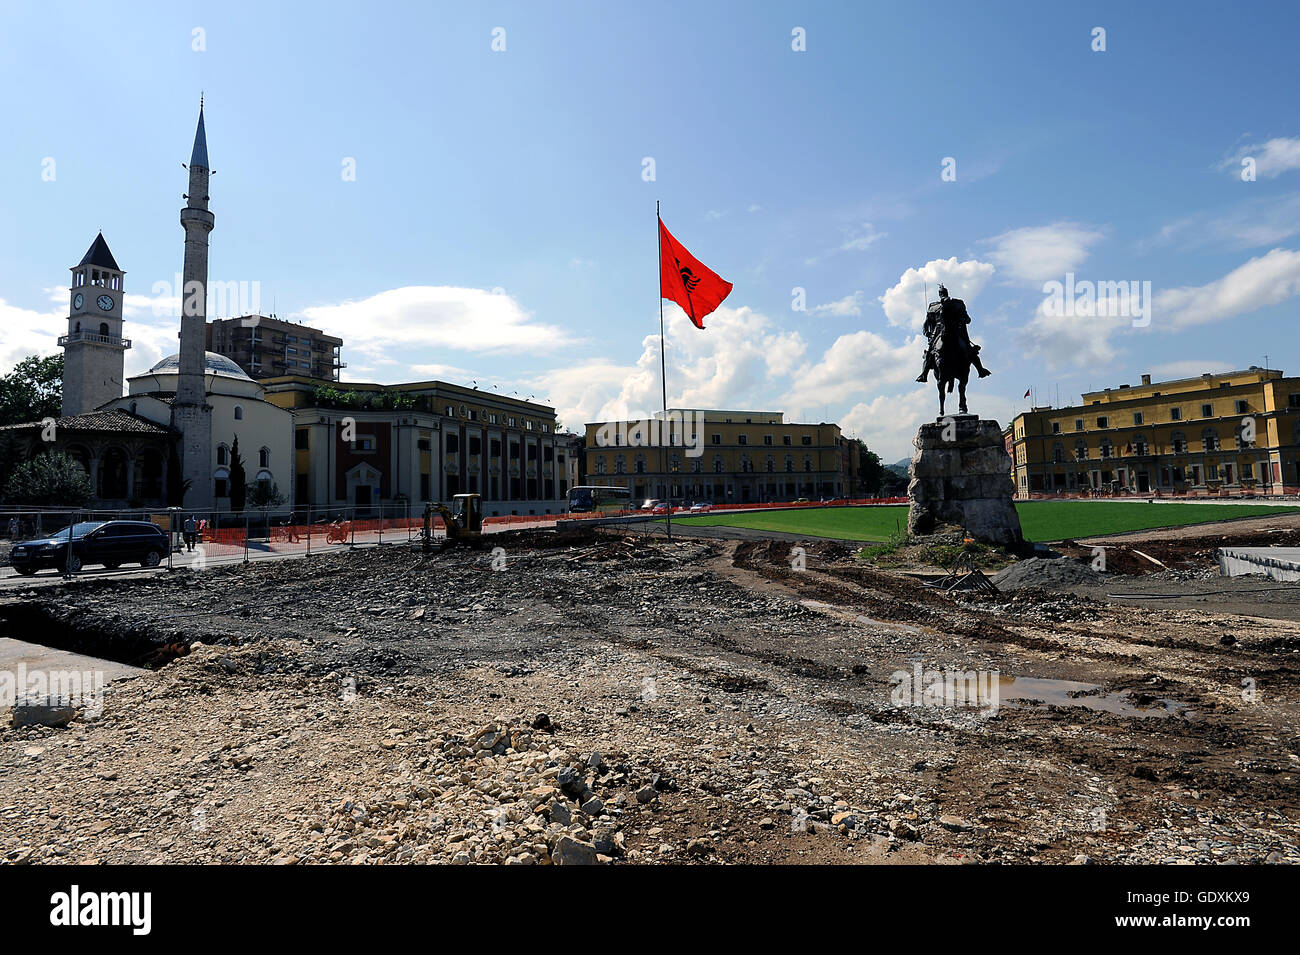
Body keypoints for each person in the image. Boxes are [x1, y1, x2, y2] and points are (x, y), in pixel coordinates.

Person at [916, 284, 992, 382]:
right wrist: (926, 332)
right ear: (939, 294)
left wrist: (960, 319)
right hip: (937, 334)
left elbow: (967, 319)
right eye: (941, 293)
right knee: (929, 353)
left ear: (947, 293)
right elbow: (927, 322)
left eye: (944, 292)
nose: (942, 294)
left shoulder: (958, 304)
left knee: (969, 350)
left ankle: (980, 370)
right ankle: (924, 374)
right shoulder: (933, 306)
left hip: (956, 331)